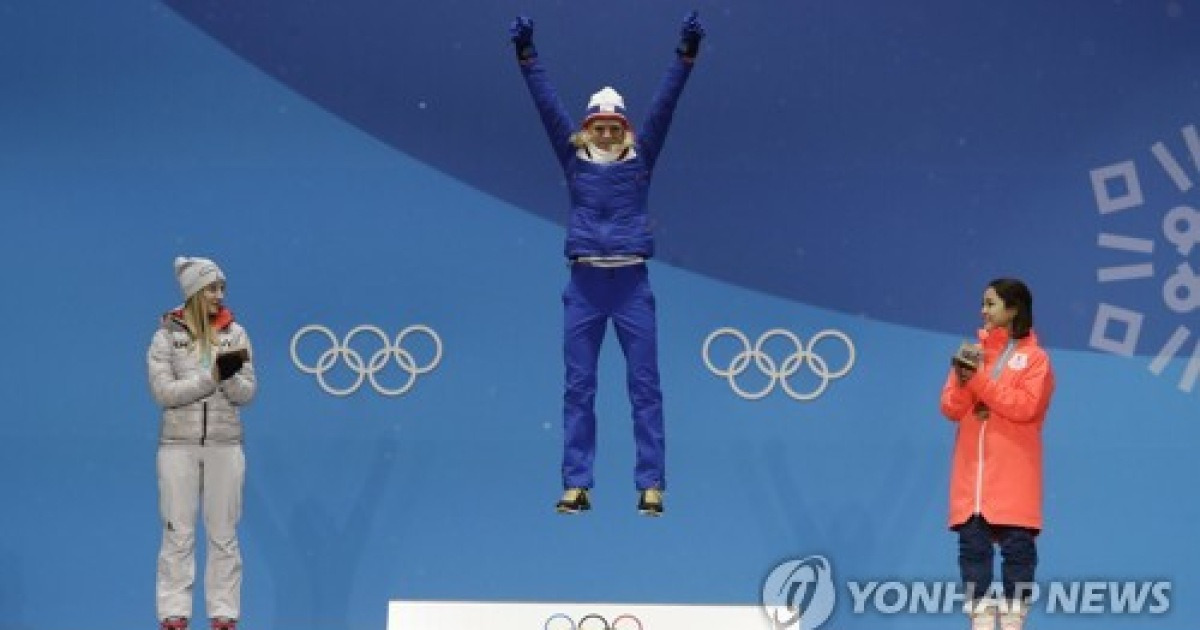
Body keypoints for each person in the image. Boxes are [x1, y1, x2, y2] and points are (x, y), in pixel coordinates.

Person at [509, 11, 705, 516]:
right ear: (586, 127)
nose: (605, 132)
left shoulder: (641, 159)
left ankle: (651, 484)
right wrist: (527, 57)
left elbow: (666, 105)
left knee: (645, 386)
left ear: (625, 127)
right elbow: (547, 107)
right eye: (597, 125)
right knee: (579, 387)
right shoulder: (573, 160)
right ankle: (577, 484)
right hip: (585, 284)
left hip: (631, 283)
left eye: (613, 125)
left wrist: (685, 56)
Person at [939, 278, 1055, 630]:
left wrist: (977, 383)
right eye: (983, 304)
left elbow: (1025, 406)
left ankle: (1014, 615)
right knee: (972, 546)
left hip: (1014, 471)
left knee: (1018, 547)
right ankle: (980, 614)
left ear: (1013, 308)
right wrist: (962, 380)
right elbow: (949, 407)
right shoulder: (973, 353)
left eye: (991, 304)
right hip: (972, 475)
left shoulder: (1036, 359)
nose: (983, 310)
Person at [147, 257, 256, 630]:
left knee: (224, 533)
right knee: (178, 531)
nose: (219, 294)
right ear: (194, 290)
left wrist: (227, 379)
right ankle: (174, 616)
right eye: (211, 287)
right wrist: (208, 379)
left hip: (226, 445)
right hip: (178, 445)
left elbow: (248, 392)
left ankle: (224, 617)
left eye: (222, 287)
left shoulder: (236, 334)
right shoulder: (166, 336)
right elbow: (164, 392)